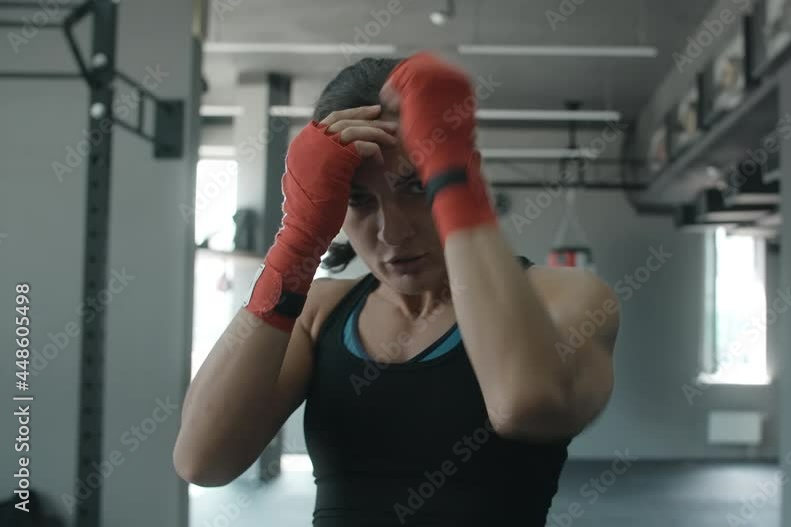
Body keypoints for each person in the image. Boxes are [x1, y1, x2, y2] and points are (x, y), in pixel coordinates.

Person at [173, 52, 620, 526]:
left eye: (417, 187)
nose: (392, 233)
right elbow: (202, 461)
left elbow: (525, 407)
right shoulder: (322, 311)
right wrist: (295, 240)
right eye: (357, 200)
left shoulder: (564, 297)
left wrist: (453, 176)